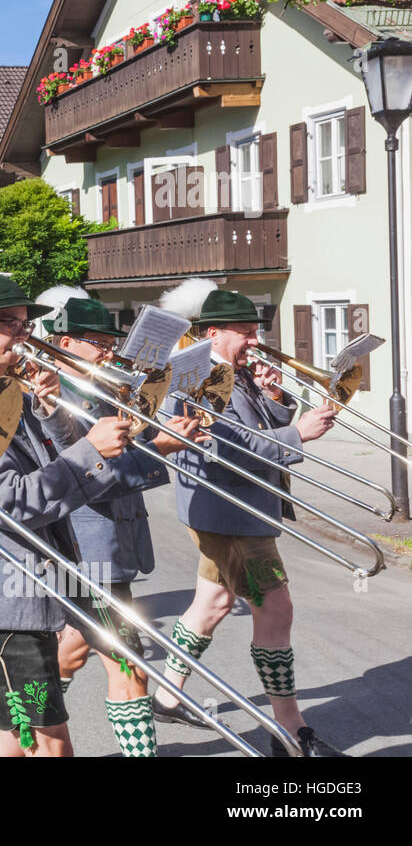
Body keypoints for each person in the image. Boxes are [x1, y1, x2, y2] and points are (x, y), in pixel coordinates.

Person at [0, 266, 132, 757]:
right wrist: (90, 452)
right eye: (9, 323)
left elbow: (65, 469)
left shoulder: (10, 392)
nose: (22, 335)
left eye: (25, 324)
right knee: (48, 744)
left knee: (24, 739)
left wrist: (53, 412)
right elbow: (9, 503)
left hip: (34, 587)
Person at [154, 286, 344, 757]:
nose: (254, 341)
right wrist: (298, 433)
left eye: (256, 331)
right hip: (231, 512)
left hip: (236, 510)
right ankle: (289, 732)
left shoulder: (230, 370)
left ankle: (166, 691)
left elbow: (258, 424)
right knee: (276, 611)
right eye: (245, 333)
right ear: (213, 332)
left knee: (212, 603)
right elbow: (225, 453)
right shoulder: (196, 376)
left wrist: (273, 394)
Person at [40, 295, 205, 757]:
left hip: (114, 547)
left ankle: (20, 735)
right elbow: (87, 480)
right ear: (67, 343)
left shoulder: (106, 391)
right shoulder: (54, 402)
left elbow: (134, 446)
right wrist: (162, 451)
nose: (111, 351)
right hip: (85, 553)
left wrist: (172, 429)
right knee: (130, 667)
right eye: (99, 343)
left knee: (70, 652)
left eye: (113, 341)